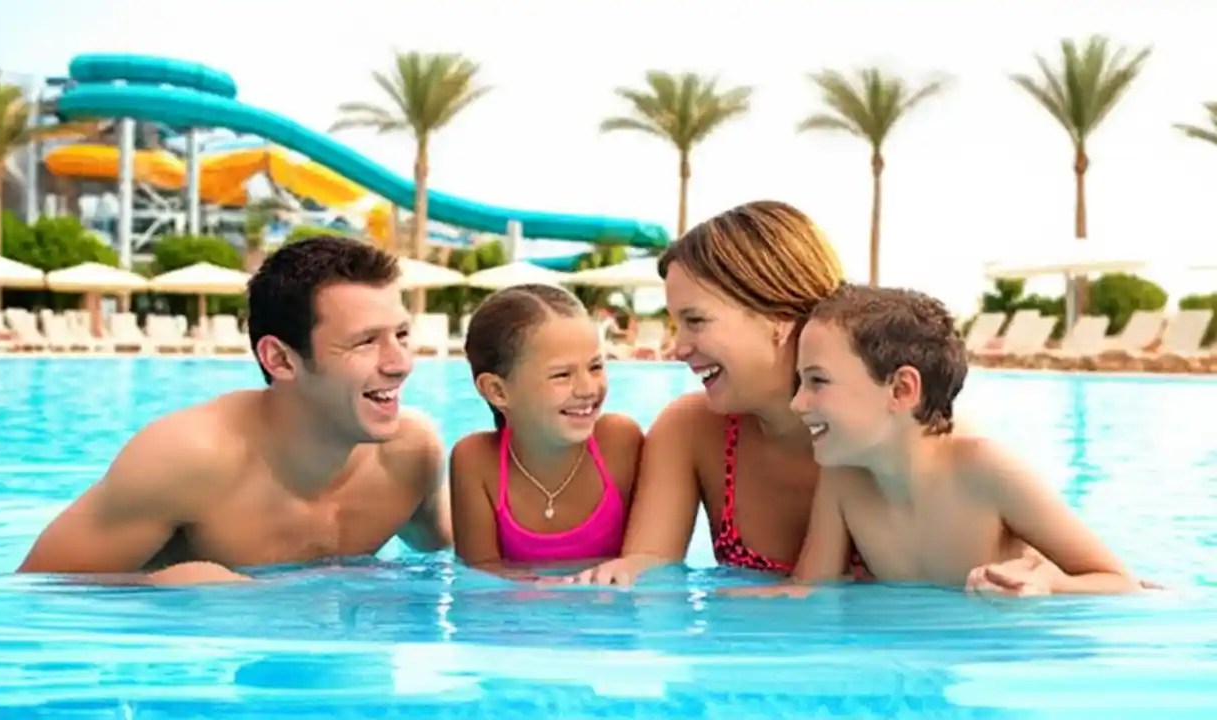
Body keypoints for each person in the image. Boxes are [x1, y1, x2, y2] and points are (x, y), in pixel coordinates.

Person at [16, 235, 452, 585]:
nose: (400, 363)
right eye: (365, 341)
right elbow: (39, 591)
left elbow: (465, 566)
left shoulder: (411, 455)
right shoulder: (188, 460)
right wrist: (166, 588)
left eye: (402, 334)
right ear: (280, 360)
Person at [785, 284, 1140, 595]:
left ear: (901, 389)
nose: (797, 402)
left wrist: (1049, 584)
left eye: (818, 381)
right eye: (800, 382)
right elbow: (811, 594)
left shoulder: (983, 470)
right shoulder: (844, 476)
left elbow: (1119, 582)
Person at [570, 200, 851, 586]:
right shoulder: (691, 430)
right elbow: (648, 570)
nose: (679, 348)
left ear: (778, 318)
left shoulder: (885, 430)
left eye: (696, 320)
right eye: (676, 325)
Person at [450, 284, 643, 577]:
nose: (588, 389)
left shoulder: (619, 443)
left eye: (595, 367)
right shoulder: (476, 462)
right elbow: (479, 576)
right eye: (562, 375)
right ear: (498, 391)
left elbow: (646, 561)